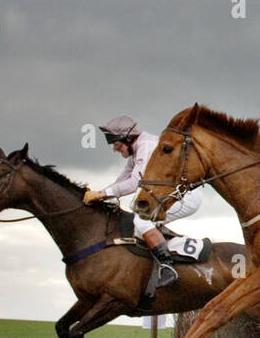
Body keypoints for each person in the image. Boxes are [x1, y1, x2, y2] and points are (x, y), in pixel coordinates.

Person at [82, 115, 203, 286]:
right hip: (170, 194)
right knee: (140, 226)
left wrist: (101, 194)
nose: (115, 149)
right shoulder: (137, 149)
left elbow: (134, 182)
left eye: (116, 144)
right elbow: (123, 178)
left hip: (184, 196)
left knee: (142, 220)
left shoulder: (147, 146)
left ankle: (168, 267)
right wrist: (100, 193)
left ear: (128, 138)